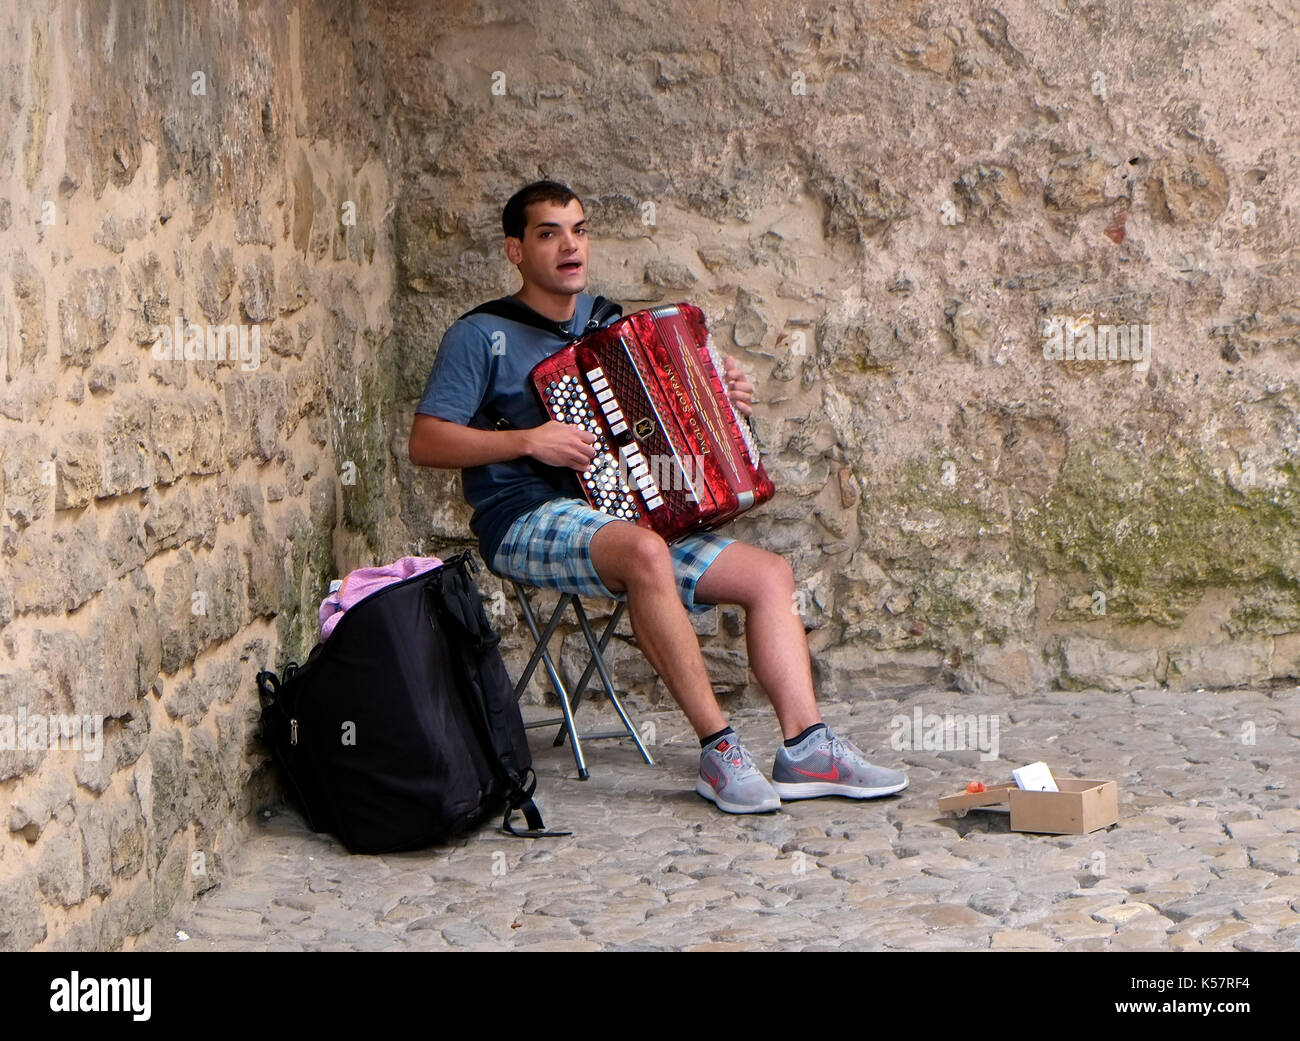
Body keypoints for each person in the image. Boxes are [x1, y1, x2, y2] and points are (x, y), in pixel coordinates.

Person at [409, 179, 907, 814]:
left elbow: (657, 434)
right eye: (548, 233)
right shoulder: (481, 335)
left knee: (769, 574)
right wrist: (529, 441)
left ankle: (806, 749)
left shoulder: (608, 324)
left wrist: (720, 398)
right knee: (645, 553)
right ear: (515, 250)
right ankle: (719, 752)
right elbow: (426, 442)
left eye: (580, 230)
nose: (570, 245)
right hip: (525, 515)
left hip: (624, 515)